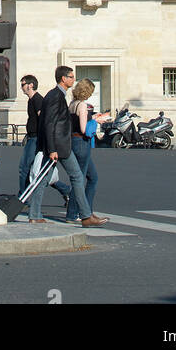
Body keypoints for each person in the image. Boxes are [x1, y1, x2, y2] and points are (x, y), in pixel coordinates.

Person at [35, 65, 108, 228]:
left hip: (62, 144)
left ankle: (35, 213)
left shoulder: (63, 98)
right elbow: (50, 123)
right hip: (64, 145)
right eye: (71, 77)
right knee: (78, 177)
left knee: (45, 179)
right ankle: (83, 214)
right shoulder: (58, 97)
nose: (73, 80)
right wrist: (52, 148)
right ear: (64, 78)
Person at [64, 80, 110, 225]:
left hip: (73, 141)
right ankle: (76, 214)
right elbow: (84, 128)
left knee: (89, 177)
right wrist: (97, 121)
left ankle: (85, 212)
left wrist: (94, 117)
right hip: (81, 143)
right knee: (81, 179)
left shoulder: (72, 104)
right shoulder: (82, 105)